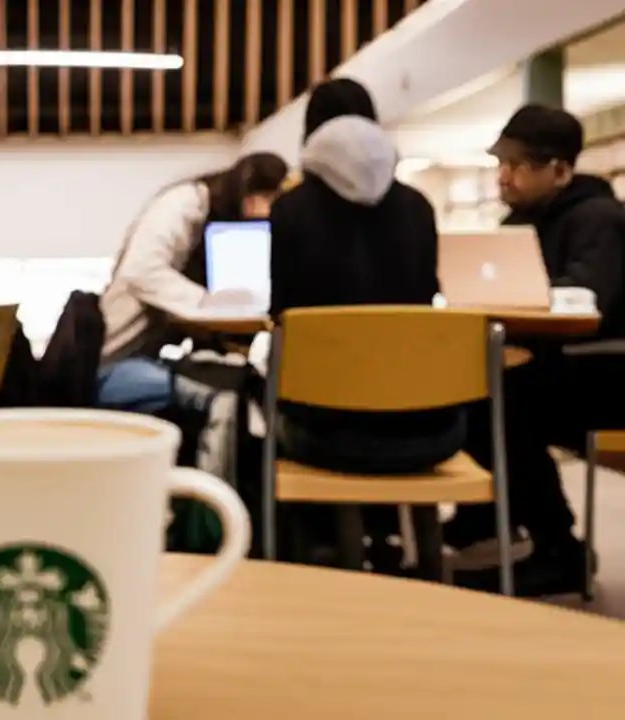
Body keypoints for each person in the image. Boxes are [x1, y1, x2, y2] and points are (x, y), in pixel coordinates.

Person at [453, 104, 625, 595]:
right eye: (500, 163)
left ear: (561, 170)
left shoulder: (598, 218)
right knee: (474, 387)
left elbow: (588, 301)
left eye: (518, 165)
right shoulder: (520, 223)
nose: (504, 176)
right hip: (567, 368)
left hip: (606, 371)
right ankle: (485, 519)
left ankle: (560, 548)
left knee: (502, 399)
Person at [269, 77, 464, 474]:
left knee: (256, 401)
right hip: (428, 428)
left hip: (322, 431)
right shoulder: (419, 208)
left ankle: (313, 536)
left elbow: (282, 316)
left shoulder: (290, 210)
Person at [98, 153, 288, 422]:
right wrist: (209, 302)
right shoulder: (185, 203)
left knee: (240, 385)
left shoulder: (210, 219)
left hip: (142, 358)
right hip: (111, 363)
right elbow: (141, 271)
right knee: (225, 395)